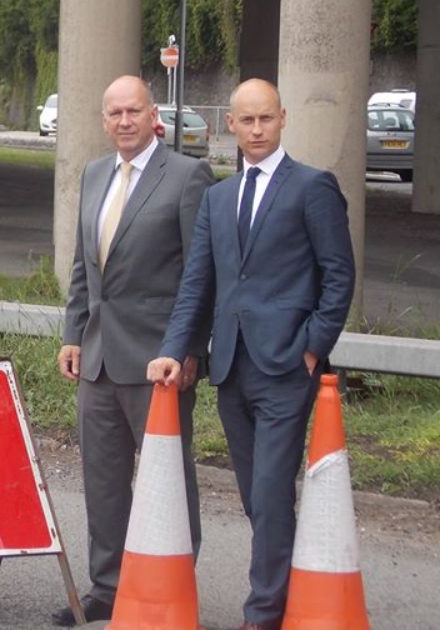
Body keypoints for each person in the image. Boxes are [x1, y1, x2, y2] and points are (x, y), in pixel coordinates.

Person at [147, 78, 355, 630]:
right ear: (230, 126)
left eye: (266, 119)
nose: (257, 130)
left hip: (288, 366)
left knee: (268, 492)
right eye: (247, 121)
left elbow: (339, 276)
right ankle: (287, 588)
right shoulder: (218, 197)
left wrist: (313, 350)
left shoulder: (313, 187)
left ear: (282, 119)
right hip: (232, 366)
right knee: (253, 495)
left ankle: (262, 612)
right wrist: (174, 349)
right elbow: (199, 283)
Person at [52, 75, 213, 626]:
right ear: (104, 120)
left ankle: (171, 585)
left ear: (154, 116)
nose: (124, 121)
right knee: (102, 478)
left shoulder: (188, 177)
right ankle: (107, 588)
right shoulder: (95, 174)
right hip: (97, 358)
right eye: (115, 112)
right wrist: (73, 334)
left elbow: (201, 272)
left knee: (167, 478)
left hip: (159, 363)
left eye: (134, 111)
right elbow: (84, 268)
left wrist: (189, 348)